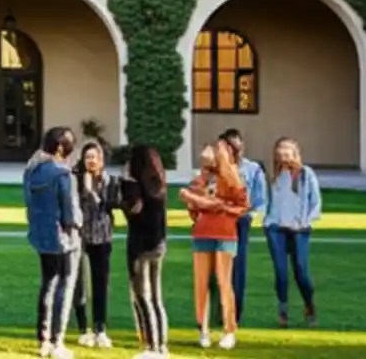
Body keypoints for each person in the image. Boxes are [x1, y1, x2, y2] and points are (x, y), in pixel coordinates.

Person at [180, 140, 248, 350]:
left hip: (225, 235)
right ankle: (203, 329)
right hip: (202, 233)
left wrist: (216, 206)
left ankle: (229, 330)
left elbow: (243, 205)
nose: (205, 157)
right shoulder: (199, 180)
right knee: (201, 284)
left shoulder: (232, 178)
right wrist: (197, 204)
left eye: (209, 153)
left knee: (223, 282)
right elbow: (193, 209)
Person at [24, 126, 82, 359]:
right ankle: (58, 340)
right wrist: (79, 224)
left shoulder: (32, 170)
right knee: (64, 287)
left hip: (41, 234)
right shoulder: (62, 174)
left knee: (47, 285)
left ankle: (44, 339)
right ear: (60, 147)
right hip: (64, 238)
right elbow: (70, 211)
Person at [263, 137, 322, 329]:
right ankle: (283, 310)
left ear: (295, 154)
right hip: (276, 228)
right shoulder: (274, 175)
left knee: (300, 271)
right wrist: (266, 220)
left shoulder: (306, 174)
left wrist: (305, 222)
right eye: (279, 153)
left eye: (286, 153)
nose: (283, 157)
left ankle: (309, 304)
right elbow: (268, 200)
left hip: (299, 230)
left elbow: (316, 203)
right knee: (280, 272)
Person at [121, 145, 169, 359]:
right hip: (158, 245)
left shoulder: (135, 187)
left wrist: (125, 182)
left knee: (143, 297)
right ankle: (162, 345)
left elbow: (132, 211)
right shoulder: (158, 186)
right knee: (156, 298)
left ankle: (152, 346)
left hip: (140, 246)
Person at [72, 140, 120, 349]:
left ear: (101, 160)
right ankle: (83, 329)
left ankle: (100, 328)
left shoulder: (110, 182)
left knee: (100, 285)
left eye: (94, 157)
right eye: (87, 157)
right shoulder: (75, 180)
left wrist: (91, 191)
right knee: (78, 285)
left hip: (102, 237)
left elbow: (108, 205)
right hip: (79, 237)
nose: (90, 160)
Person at [219, 128, 268, 325]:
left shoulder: (253, 169)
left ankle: (235, 311)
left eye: (233, 146)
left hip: (240, 220)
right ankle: (221, 308)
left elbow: (260, 197)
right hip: (220, 219)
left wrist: (252, 215)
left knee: (238, 265)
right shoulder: (216, 168)